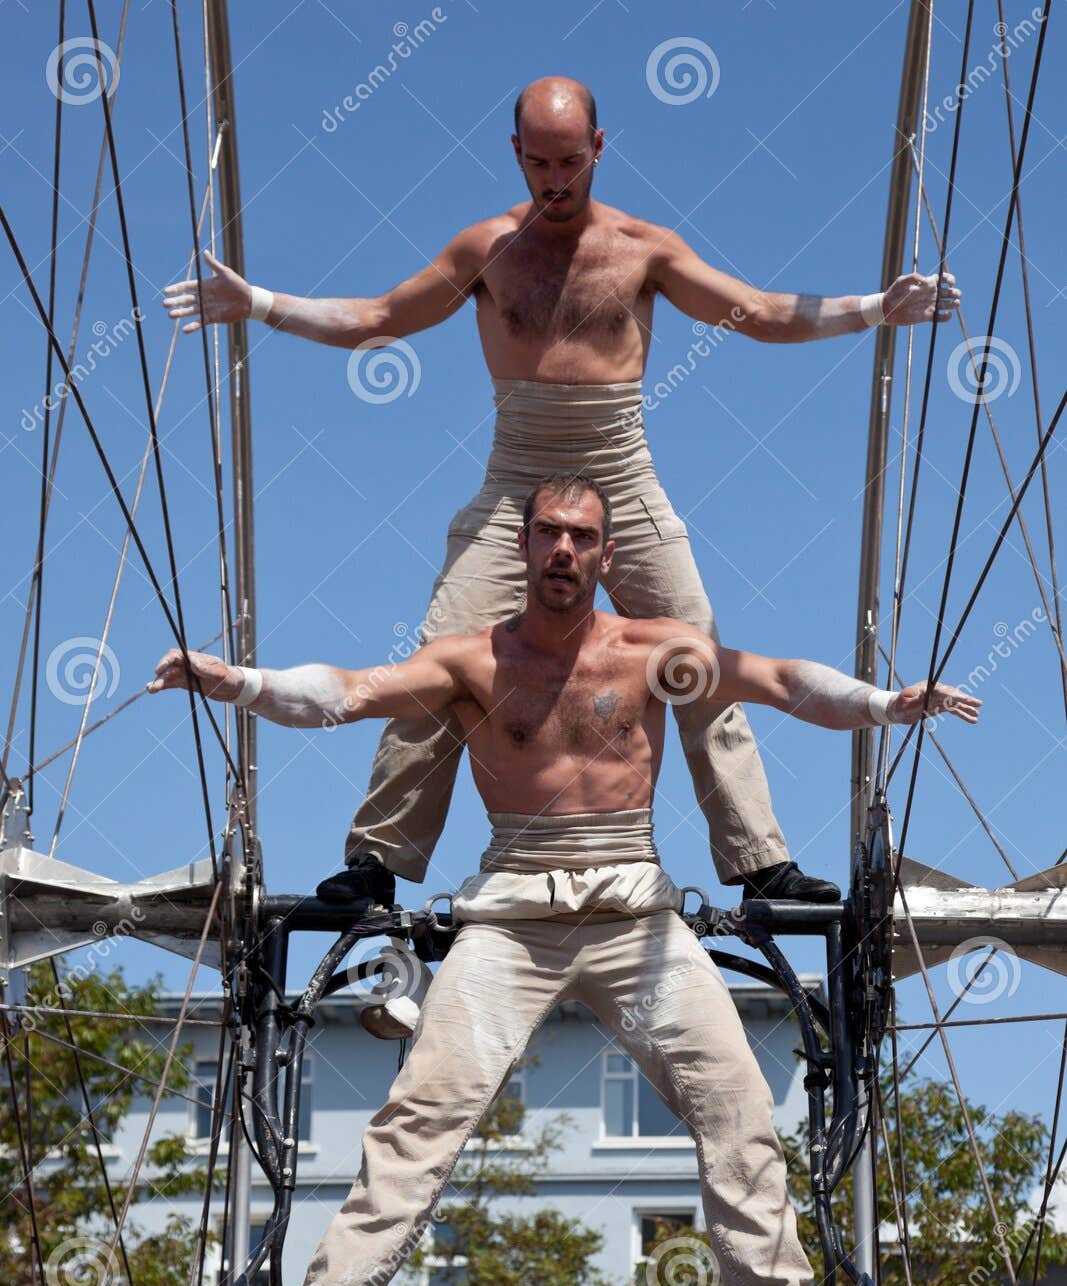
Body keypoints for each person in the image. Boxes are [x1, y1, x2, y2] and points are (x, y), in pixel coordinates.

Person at [149, 474, 978, 1286]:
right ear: (522, 546)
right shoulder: (473, 661)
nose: (562, 553)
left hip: (635, 916)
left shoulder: (652, 651)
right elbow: (348, 692)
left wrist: (882, 703)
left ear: (606, 555)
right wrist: (243, 683)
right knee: (422, 1111)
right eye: (548, 534)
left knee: (733, 1101)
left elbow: (780, 681)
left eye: (581, 538)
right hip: (510, 916)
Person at [162, 75, 960, 911]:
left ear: (599, 149)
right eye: (538, 162)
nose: (554, 180)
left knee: (697, 653)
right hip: (516, 480)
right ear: (514, 154)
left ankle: (760, 860)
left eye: (570, 161)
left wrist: (874, 309)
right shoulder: (485, 250)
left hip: (622, 471)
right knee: (435, 655)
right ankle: (377, 861)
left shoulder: (643, 247)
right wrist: (256, 302)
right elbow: (376, 319)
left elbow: (757, 312)